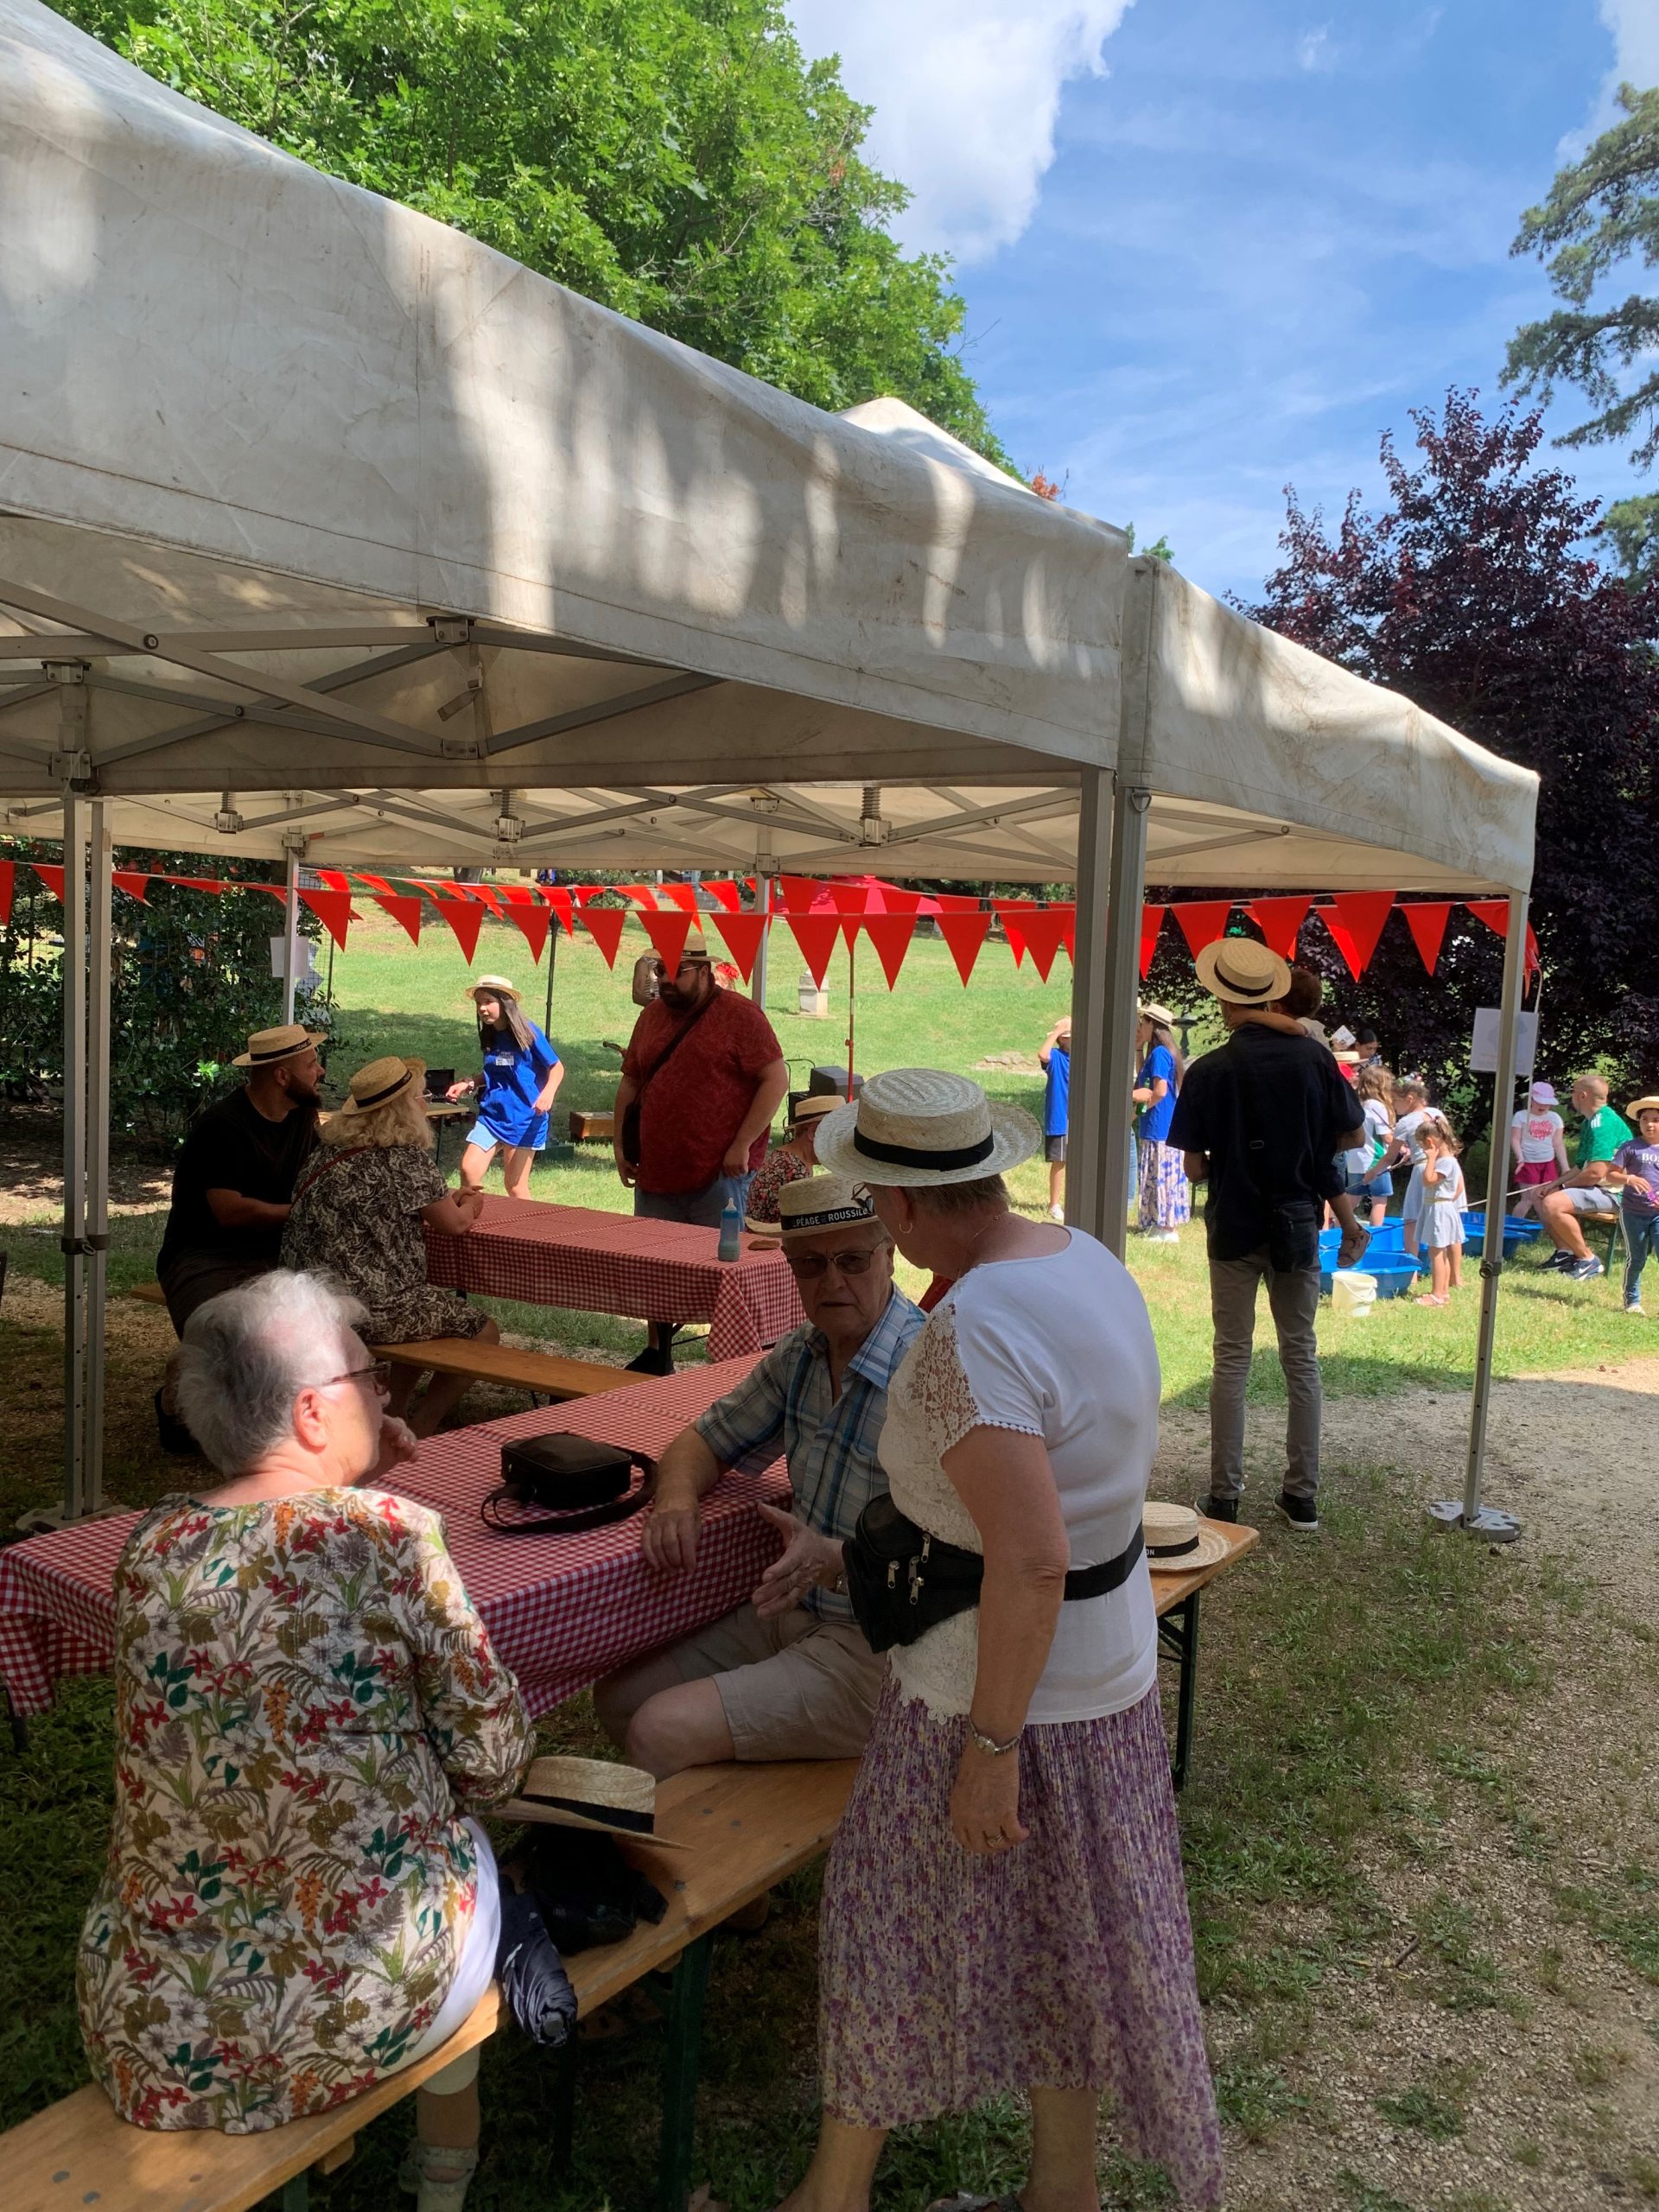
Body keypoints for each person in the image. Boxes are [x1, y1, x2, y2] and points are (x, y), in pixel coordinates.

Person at [771, 1069, 1221, 2212]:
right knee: (1061, 1940)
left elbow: (1028, 1554)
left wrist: (989, 1743)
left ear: (899, 1207)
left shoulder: (971, 1329)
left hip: (1001, 1683)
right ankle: (1061, 2191)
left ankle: (833, 2198)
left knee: (888, 1933)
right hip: (1102, 1666)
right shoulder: (1080, 1255)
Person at [77, 1272, 534, 2212]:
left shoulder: (148, 1548)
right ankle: (442, 2180)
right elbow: (494, 1761)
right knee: (472, 1863)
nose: (391, 1392)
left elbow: (283, 1548)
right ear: (316, 1412)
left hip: (152, 2020)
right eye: (374, 1376)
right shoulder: (394, 1536)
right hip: (351, 2004)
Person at [594, 1177, 924, 1773]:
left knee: (658, 1730)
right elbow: (702, 1440)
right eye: (809, 1266)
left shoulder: (925, 1376)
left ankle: (711, 1849)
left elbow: (968, 1555)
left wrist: (838, 1559)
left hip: (881, 1652)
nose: (832, 1283)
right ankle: (726, 1819)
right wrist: (673, 1500)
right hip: (791, 1611)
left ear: (890, 1255)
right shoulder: (804, 1352)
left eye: (852, 1260)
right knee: (619, 1699)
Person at [1166, 938, 1366, 1535]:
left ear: (1223, 999)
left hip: (1233, 1223)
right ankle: (1300, 1496)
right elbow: (1353, 1138)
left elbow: (1195, 1167)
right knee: (1300, 1357)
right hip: (1297, 1222)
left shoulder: (1209, 1070)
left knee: (1231, 1358)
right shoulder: (1314, 1060)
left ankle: (1224, 1496)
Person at [280, 1055, 501, 1435]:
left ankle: (392, 1413)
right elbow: (454, 1224)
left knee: (424, 1309)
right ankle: (423, 1425)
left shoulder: (328, 1150)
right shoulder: (405, 1159)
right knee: (485, 1331)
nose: (425, 1101)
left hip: (308, 1297)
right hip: (367, 1307)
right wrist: (471, 1202)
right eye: (420, 1095)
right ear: (404, 1108)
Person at [613, 934, 790, 1371]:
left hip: (720, 1173)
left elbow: (776, 1079)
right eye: (659, 973)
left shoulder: (741, 1015)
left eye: (675, 972)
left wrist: (742, 1143)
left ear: (705, 971)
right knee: (656, 1268)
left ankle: (730, 1363)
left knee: (726, 1270)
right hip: (657, 1169)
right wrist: (620, 1143)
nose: (665, 982)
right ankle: (658, 1352)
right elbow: (632, 1081)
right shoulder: (652, 1018)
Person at [153, 1021, 325, 1452]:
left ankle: (272, 1424)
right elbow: (231, 1211)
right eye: (311, 1064)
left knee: (305, 1325)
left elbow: (321, 1174)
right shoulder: (222, 1126)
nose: (319, 1071)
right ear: (282, 1076)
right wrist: (301, 1213)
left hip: (273, 1253)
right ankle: (177, 1398)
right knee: (225, 1330)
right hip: (204, 1256)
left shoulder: (303, 1116)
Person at [444, 976, 563, 1202]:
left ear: (505, 1002)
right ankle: (471, 1224)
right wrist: (469, 1083)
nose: (482, 1008)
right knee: (469, 1172)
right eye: (479, 1003)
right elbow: (496, 1071)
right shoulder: (491, 1035)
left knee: (515, 1187)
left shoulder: (528, 1032)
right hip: (492, 1117)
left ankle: (527, 1234)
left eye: (488, 1001)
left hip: (526, 1119)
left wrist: (547, 1094)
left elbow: (557, 1067)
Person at [1536, 1075, 1634, 1281]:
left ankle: (1588, 1260)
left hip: (1616, 1193)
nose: (1571, 1097)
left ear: (1582, 1095)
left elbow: (1596, 1173)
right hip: (1600, 1188)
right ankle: (1565, 1253)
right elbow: (1581, 1166)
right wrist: (1553, 1184)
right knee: (1543, 1195)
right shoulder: (1590, 1122)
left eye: (1573, 1092)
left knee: (1554, 1203)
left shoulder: (1603, 1123)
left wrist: (1562, 1187)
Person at [743, 1091, 838, 1234]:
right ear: (812, 1132)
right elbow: (798, 1231)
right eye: (835, 1135)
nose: (837, 1144)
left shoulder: (786, 1158)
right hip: (772, 1248)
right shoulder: (792, 1169)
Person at [1134, 1001, 1190, 1242]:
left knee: (1161, 1176)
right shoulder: (1160, 1053)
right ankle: (1159, 1223)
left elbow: (1159, 1090)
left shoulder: (1159, 1054)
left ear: (1151, 1025)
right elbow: (1143, 1079)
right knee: (1158, 1175)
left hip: (1159, 1127)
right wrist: (1137, 1048)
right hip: (1161, 1126)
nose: (1139, 1027)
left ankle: (1166, 1228)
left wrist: (1138, 1108)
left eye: (1142, 1023)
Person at [1611, 1097, 1659, 1316]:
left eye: (1656, 1120)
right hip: (1633, 1212)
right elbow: (1610, 1174)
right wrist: (1629, 1179)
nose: (1650, 1124)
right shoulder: (1630, 1147)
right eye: (1645, 1120)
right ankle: (1632, 1302)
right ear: (1638, 1122)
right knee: (1637, 1258)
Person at [1414, 1116, 1467, 1306]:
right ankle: (1443, 1292)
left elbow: (1428, 1180)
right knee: (1439, 1251)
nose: (1422, 1149)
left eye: (1422, 1145)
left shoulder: (1444, 1161)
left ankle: (1436, 1295)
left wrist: (1430, 1159)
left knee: (1436, 1253)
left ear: (1430, 1142)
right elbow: (1459, 1186)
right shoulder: (1451, 1160)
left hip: (1439, 1208)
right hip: (1440, 1206)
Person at [1510, 1080, 1569, 1220]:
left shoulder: (1555, 1118)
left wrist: (1565, 1166)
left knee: (1549, 1198)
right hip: (1528, 1162)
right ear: (1531, 1100)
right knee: (1529, 1199)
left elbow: (1558, 1143)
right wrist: (1520, 1158)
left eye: (1547, 1102)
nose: (1543, 1106)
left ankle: (1549, 1228)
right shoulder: (1521, 1116)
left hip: (1548, 1162)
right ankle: (1513, 1226)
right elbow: (1515, 1139)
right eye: (1539, 1102)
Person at [1388, 1077, 1433, 1252]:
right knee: (1442, 1218)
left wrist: (1373, 1173)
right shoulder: (1437, 1114)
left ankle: (1412, 1269)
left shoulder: (1405, 1122)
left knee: (1411, 1219)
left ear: (1409, 1099)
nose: (1393, 1105)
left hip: (1423, 1169)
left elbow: (1389, 1157)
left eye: (1394, 1100)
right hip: (1445, 1165)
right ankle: (1454, 1274)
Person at [1350, 1065, 1396, 1228]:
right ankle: (1375, 1235)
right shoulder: (1377, 1106)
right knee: (1379, 1200)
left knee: (1353, 1198)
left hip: (1355, 1160)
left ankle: (1341, 1229)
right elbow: (1387, 1137)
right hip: (1375, 1160)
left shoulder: (1357, 1103)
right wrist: (1403, 1144)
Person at [1039, 1017, 1071, 1220]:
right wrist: (1057, 1031)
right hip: (1060, 1117)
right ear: (1063, 1040)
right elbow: (1043, 1054)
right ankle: (1054, 1204)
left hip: (1076, 1117)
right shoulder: (1056, 1057)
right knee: (1060, 1161)